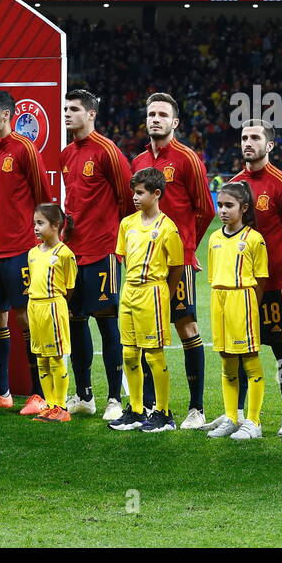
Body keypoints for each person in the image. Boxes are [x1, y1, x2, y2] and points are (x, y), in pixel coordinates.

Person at [130, 92, 214, 429]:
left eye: (162, 114)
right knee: (148, 333)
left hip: (178, 263)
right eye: (151, 113)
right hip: (145, 265)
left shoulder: (187, 158)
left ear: (175, 122)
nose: (155, 119)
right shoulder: (138, 162)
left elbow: (205, 209)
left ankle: (196, 409)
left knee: (186, 327)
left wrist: (187, 247)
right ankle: (151, 406)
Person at [218, 120, 282, 435]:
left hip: (277, 284)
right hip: (242, 286)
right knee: (240, 350)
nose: (248, 142)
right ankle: (236, 415)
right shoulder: (236, 183)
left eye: (255, 138)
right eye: (244, 137)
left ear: (269, 145)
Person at [0, 91, 52, 414]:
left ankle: (38, 392)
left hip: (22, 249)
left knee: (25, 318)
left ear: (5, 115)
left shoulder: (25, 149)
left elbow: (44, 198)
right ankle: (2, 390)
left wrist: (45, 243)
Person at [59, 89, 130, 422]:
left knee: (107, 323)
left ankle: (114, 397)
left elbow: (126, 201)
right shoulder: (66, 154)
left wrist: (118, 242)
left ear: (91, 114)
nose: (67, 113)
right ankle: (84, 394)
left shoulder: (108, 152)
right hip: (73, 254)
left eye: (74, 109)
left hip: (103, 252)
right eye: (65, 108)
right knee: (75, 323)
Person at [109, 167, 185, 434]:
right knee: (129, 353)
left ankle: (164, 413)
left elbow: (177, 265)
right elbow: (124, 257)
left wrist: (164, 291)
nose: (135, 197)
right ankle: (137, 410)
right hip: (129, 291)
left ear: (156, 194)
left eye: (140, 193)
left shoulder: (167, 227)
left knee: (153, 355)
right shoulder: (127, 224)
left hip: (153, 292)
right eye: (134, 192)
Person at [205, 181, 269, 440]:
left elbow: (261, 279)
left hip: (243, 300)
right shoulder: (214, 238)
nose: (223, 210)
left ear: (243, 208)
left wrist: (250, 306)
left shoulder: (254, 239)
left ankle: (253, 421)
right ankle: (232, 417)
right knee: (227, 362)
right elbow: (212, 275)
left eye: (228, 205)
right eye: (220, 205)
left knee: (250, 362)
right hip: (218, 299)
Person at [25, 203, 77, 424]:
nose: (35, 228)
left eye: (40, 223)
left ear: (55, 226)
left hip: (53, 306)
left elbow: (70, 286)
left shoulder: (65, 254)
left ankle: (61, 407)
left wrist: (59, 307)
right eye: (35, 223)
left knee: (55, 357)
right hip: (34, 306)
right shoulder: (33, 253)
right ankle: (49, 404)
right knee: (41, 357)